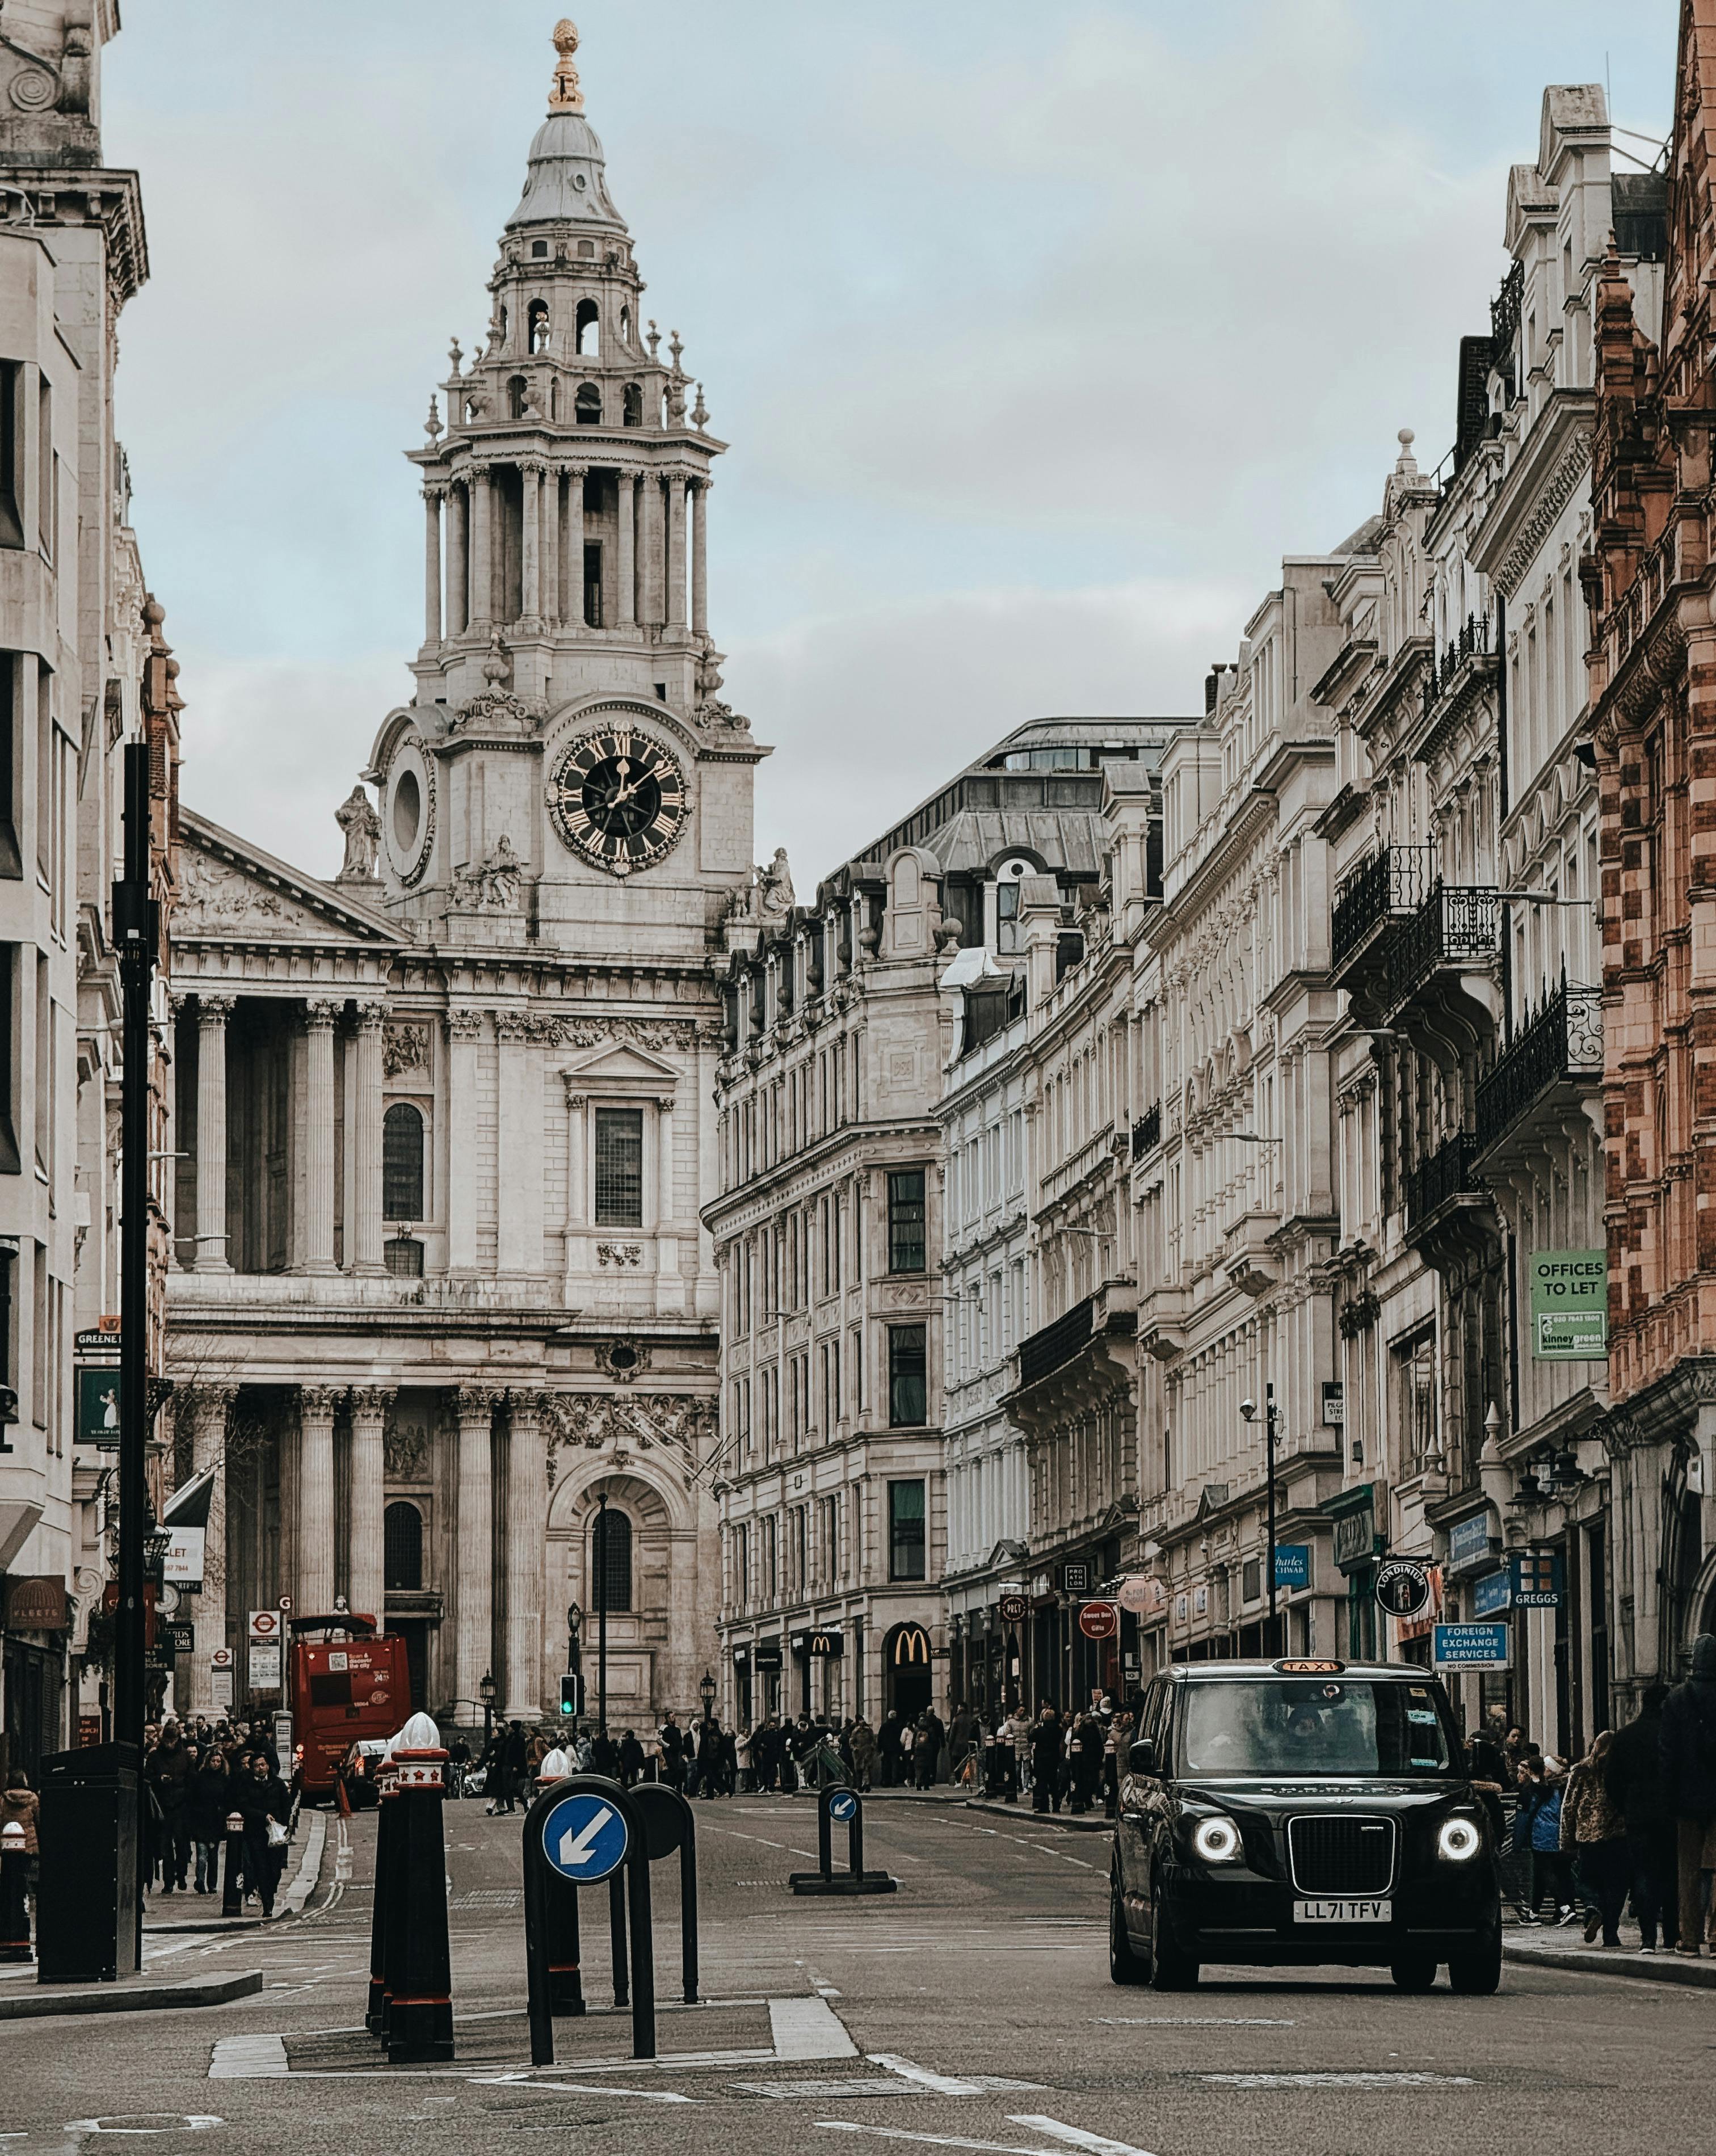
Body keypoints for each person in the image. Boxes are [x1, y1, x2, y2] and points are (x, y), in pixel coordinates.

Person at [1606, 1682, 1677, 1952]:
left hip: (1637, 1816)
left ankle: (1648, 1939)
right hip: (1670, 1815)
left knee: (1644, 1874)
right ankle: (1672, 1935)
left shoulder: (1625, 1736)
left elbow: (1611, 1780)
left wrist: (1626, 1806)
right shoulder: (1671, 1734)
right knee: (1671, 1874)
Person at [1660, 1631, 1716, 1958]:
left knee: (1689, 1870)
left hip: (1687, 1797)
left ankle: (1690, 1938)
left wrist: (1669, 1797)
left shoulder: (1678, 1699)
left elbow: (1667, 1754)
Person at [1562, 1730, 1628, 1947]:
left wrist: (1566, 1839)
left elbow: (1569, 1807)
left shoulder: (1581, 1771)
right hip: (1617, 1835)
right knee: (1615, 1885)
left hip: (1587, 1836)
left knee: (1584, 1879)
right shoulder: (1620, 1770)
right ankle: (1611, 1933)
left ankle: (1594, 1905)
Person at [232, 1753, 292, 1918]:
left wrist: (283, 1824)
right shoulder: (246, 1785)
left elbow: (287, 1805)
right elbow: (244, 1806)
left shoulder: (278, 1784)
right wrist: (263, 1815)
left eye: (263, 1765)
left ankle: (270, 1891)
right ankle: (268, 1905)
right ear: (252, 1768)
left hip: (277, 1834)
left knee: (276, 1870)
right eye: (258, 1765)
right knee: (261, 1868)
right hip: (256, 1833)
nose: (261, 1768)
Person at [145, 1720, 194, 1894]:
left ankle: (181, 1875)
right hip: (162, 1806)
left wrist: (179, 1785)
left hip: (181, 1806)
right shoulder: (155, 1757)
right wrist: (160, 1779)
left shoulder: (185, 1756)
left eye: (172, 1741)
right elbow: (148, 1778)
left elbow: (191, 1779)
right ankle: (168, 1882)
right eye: (167, 1741)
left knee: (181, 1845)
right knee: (165, 1847)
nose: (170, 1744)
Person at [187, 1741, 230, 1896]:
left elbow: (227, 1801)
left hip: (216, 1823)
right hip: (201, 1821)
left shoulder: (225, 1780)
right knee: (202, 1855)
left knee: (213, 1856)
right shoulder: (200, 1778)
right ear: (208, 1762)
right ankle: (200, 1881)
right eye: (213, 1761)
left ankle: (212, 1884)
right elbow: (193, 1799)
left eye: (219, 1761)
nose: (216, 1764)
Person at [1031, 1706, 1063, 1814]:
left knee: (1043, 1784)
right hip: (1054, 1759)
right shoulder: (1058, 1730)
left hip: (1042, 1760)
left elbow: (1030, 1738)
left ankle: (1044, 1806)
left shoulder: (1040, 1730)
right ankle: (1056, 1806)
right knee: (1054, 1783)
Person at [849, 1715, 878, 1792]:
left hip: (867, 1752)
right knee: (859, 1771)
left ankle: (867, 1786)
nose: (862, 1721)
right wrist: (854, 1748)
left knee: (866, 1769)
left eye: (862, 1720)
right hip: (858, 1753)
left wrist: (872, 1748)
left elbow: (873, 1740)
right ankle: (860, 1787)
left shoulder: (869, 1731)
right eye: (860, 1720)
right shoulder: (855, 1731)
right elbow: (851, 1742)